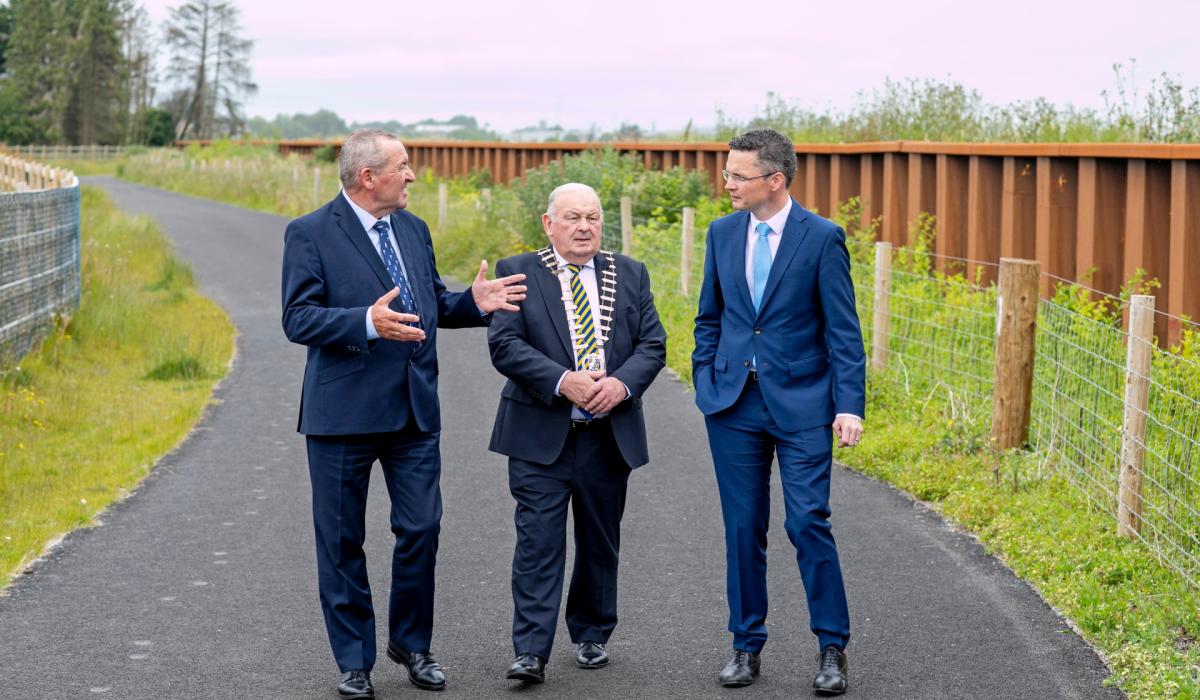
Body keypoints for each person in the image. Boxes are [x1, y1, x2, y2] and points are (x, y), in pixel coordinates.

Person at [281, 128, 527, 699]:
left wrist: (474, 303)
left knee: (422, 528)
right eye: (404, 165)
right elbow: (298, 317)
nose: (413, 175)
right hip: (341, 415)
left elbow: (430, 304)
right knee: (341, 541)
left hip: (416, 411)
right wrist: (365, 322)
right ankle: (355, 661)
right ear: (369, 177)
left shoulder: (413, 229)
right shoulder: (311, 233)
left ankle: (413, 645)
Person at [692, 129, 865, 695]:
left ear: (776, 180)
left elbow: (844, 332)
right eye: (727, 172)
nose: (728, 184)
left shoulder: (821, 238)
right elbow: (709, 317)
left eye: (738, 176)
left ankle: (831, 647)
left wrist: (849, 406)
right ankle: (745, 646)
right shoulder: (721, 234)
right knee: (743, 528)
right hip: (733, 404)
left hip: (804, 405)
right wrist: (704, 376)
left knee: (807, 520)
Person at [487, 183, 666, 685]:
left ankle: (591, 633)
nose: (584, 227)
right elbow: (505, 346)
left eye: (592, 217)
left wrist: (622, 385)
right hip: (539, 430)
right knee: (538, 542)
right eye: (572, 218)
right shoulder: (515, 272)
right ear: (549, 224)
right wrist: (563, 381)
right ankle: (530, 651)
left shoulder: (629, 273)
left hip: (608, 433)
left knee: (599, 540)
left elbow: (653, 344)